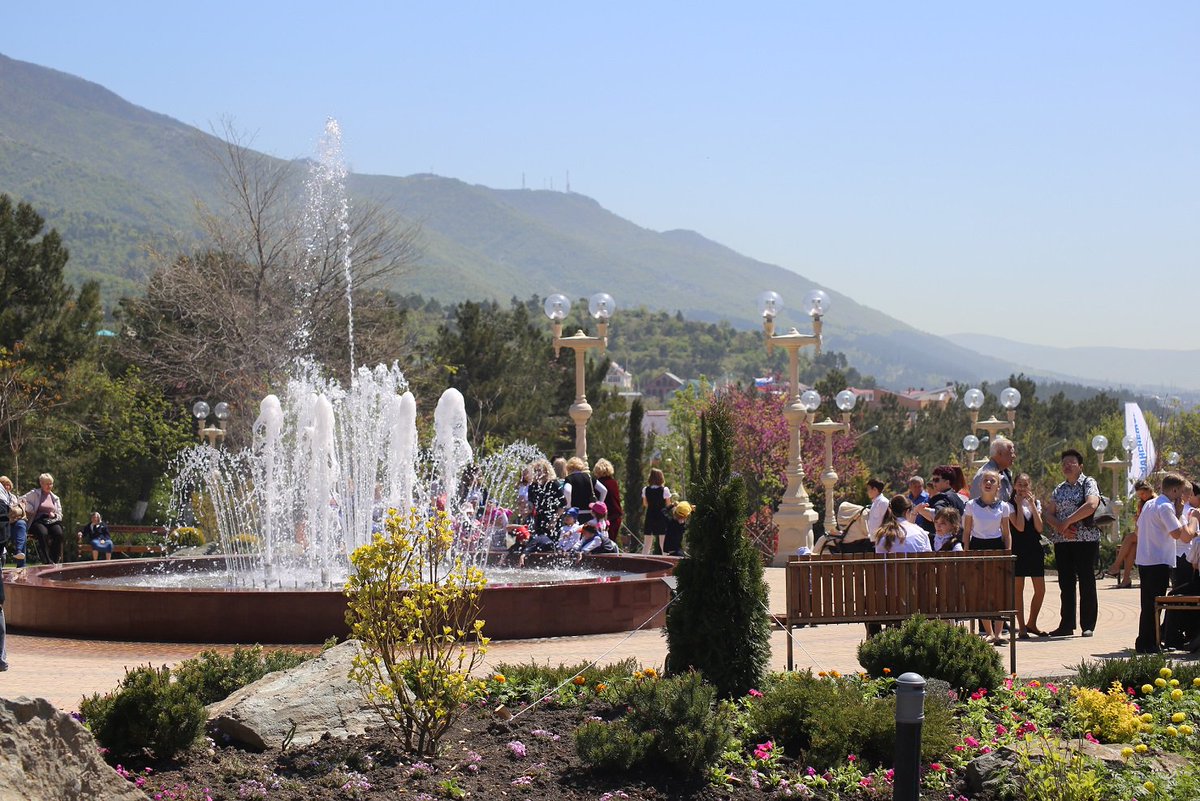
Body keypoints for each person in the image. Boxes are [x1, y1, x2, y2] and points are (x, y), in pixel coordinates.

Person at [1133, 473, 1199, 653]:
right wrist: (1189, 518)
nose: (1182, 498)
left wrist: (1178, 512)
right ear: (1175, 490)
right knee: (1155, 604)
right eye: (1181, 493)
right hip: (1157, 561)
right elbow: (1181, 535)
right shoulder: (1165, 506)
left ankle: (1145, 641)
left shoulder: (1150, 504)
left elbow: (1138, 531)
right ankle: (1149, 644)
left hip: (1146, 560)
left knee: (1148, 604)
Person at [1043, 449, 1103, 638]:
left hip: (1086, 540)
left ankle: (1088, 624)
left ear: (1080, 466)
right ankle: (1066, 624)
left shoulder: (1088, 482)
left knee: (1086, 581)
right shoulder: (1059, 489)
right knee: (1066, 583)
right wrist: (1060, 527)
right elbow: (1047, 513)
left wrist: (1066, 521)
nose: (1067, 465)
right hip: (1063, 541)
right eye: (1065, 463)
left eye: (1072, 462)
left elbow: (1092, 504)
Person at [964, 469, 1013, 644]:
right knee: (982, 592)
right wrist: (967, 553)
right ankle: (988, 632)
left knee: (999, 592)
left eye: (992, 481)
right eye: (985, 480)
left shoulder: (1004, 507)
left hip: (997, 548)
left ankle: (999, 633)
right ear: (980, 484)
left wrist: (1007, 553)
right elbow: (967, 531)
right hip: (978, 547)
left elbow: (1007, 534)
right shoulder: (970, 505)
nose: (988, 483)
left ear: (998, 486)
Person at [1008, 473, 1047, 638]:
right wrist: (1018, 505)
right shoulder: (1008, 505)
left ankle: (1032, 622)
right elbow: (1020, 527)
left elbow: (1039, 528)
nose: (1022, 488)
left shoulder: (1035, 503)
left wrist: (1031, 505)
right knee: (1018, 590)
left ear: (1030, 486)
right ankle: (1022, 626)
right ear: (1014, 486)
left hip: (1034, 548)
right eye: (1019, 484)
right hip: (1018, 548)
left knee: (1040, 589)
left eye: (1025, 484)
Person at [1104, 480, 1155, 588]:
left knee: (1129, 538)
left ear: (1149, 490)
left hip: (1153, 535)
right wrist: (1137, 520)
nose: (1142, 496)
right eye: (1140, 495)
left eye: (1143, 493)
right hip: (1142, 534)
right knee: (1132, 547)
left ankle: (1116, 565)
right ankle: (1126, 579)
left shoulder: (1155, 502)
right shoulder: (1141, 503)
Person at [22, 472, 64, 564]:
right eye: (47, 484)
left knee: (59, 533)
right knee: (43, 533)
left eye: (51, 484)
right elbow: (20, 500)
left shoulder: (55, 498)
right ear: (41, 483)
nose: (49, 486)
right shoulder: (34, 493)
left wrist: (55, 515)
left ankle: (54, 559)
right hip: (38, 521)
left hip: (51, 521)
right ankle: (46, 560)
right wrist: (31, 508)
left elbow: (60, 514)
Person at [914, 465, 966, 535]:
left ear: (947, 482)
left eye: (937, 480)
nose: (934, 483)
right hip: (956, 538)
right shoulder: (956, 497)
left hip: (944, 541)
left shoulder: (942, 497)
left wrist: (920, 510)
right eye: (933, 480)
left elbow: (939, 515)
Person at [526, 459, 565, 542]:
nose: (537, 473)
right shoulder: (533, 486)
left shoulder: (553, 484)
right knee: (537, 543)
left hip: (553, 519)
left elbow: (563, 503)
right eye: (535, 471)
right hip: (539, 519)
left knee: (551, 544)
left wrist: (554, 519)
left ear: (546, 471)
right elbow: (531, 503)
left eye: (539, 470)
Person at [970, 436, 1016, 504]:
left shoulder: (1005, 472)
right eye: (1011, 453)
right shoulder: (984, 475)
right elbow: (978, 506)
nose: (1014, 456)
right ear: (1000, 454)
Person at [563, 457, 606, 524]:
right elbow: (604, 490)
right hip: (591, 514)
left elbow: (567, 491)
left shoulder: (569, 479)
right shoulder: (589, 477)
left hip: (576, 515)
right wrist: (598, 506)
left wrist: (568, 507)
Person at [593, 459, 624, 546]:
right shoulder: (614, 482)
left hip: (605, 517)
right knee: (611, 542)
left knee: (603, 543)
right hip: (616, 515)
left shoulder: (599, 484)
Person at [641, 468, 672, 555]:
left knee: (647, 544)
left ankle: (643, 562)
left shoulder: (645, 489)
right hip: (661, 517)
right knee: (663, 544)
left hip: (650, 516)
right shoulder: (664, 490)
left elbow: (645, 504)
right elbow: (668, 504)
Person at [0, 476, 28, 566]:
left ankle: (19, 552)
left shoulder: (14, 497)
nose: (6, 487)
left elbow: (19, 513)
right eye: (4, 485)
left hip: (14, 522)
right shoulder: (2, 498)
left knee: (22, 524)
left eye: (8, 485)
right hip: (5, 523)